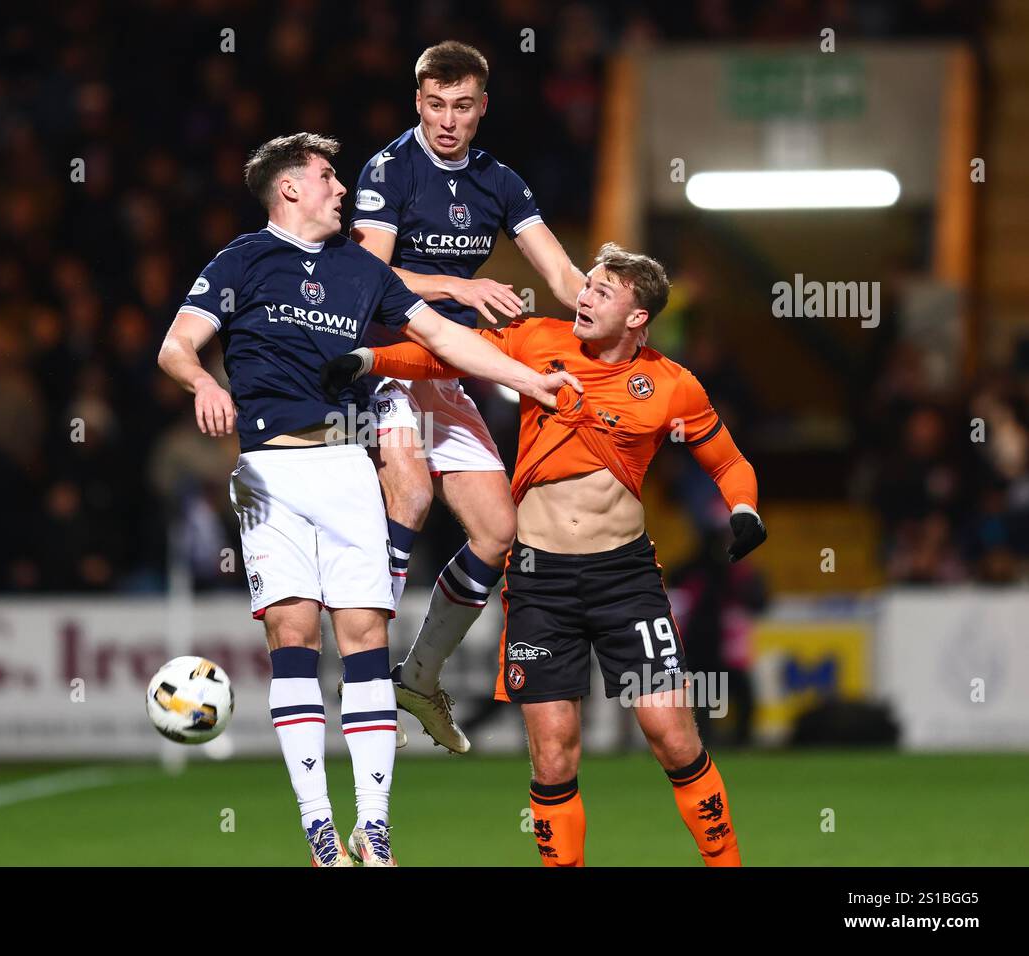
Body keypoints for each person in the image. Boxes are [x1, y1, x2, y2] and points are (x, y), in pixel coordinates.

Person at [159, 133, 578, 867]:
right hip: (269, 474)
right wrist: (203, 383)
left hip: (349, 467)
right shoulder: (240, 261)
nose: (342, 191)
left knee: (363, 642)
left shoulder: (359, 268)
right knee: (293, 637)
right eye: (327, 178)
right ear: (290, 190)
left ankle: (374, 830)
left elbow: (445, 336)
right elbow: (176, 345)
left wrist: (527, 378)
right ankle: (320, 829)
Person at [320, 243, 766, 866]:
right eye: (588, 285)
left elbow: (728, 460)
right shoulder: (534, 340)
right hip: (539, 580)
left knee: (672, 735)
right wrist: (370, 357)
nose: (583, 295)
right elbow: (442, 355)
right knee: (554, 752)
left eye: (603, 292)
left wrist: (744, 510)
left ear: (638, 317)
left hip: (624, 577)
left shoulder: (671, 384)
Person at [349, 40, 590, 753]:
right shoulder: (389, 169)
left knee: (497, 531)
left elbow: (563, 273)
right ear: (416, 101)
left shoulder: (500, 182)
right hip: (383, 361)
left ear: (482, 106)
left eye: (461, 106)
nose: (447, 121)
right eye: (434, 105)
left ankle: (416, 676)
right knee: (414, 496)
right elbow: (367, 278)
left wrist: (614, 313)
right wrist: (460, 285)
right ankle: (363, 672)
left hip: (446, 370)